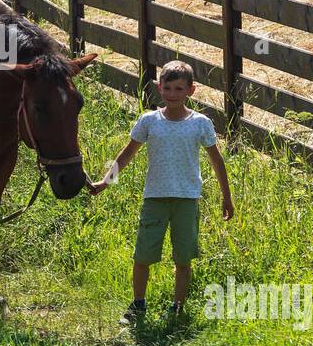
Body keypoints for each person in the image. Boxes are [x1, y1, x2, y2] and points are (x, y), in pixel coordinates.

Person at [90, 60, 234, 321]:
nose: (172, 94)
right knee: (143, 254)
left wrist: (227, 196)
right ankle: (138, 304)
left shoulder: (200, 123)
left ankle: (177, 308)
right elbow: (127, 154)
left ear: (191, 90)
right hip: (154, 197)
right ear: (159, 88)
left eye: (179, 89)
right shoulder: (150, 121)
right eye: (167, 88)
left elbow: (216, 160)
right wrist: (105, 181)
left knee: (183, 257)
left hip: (187, 199)